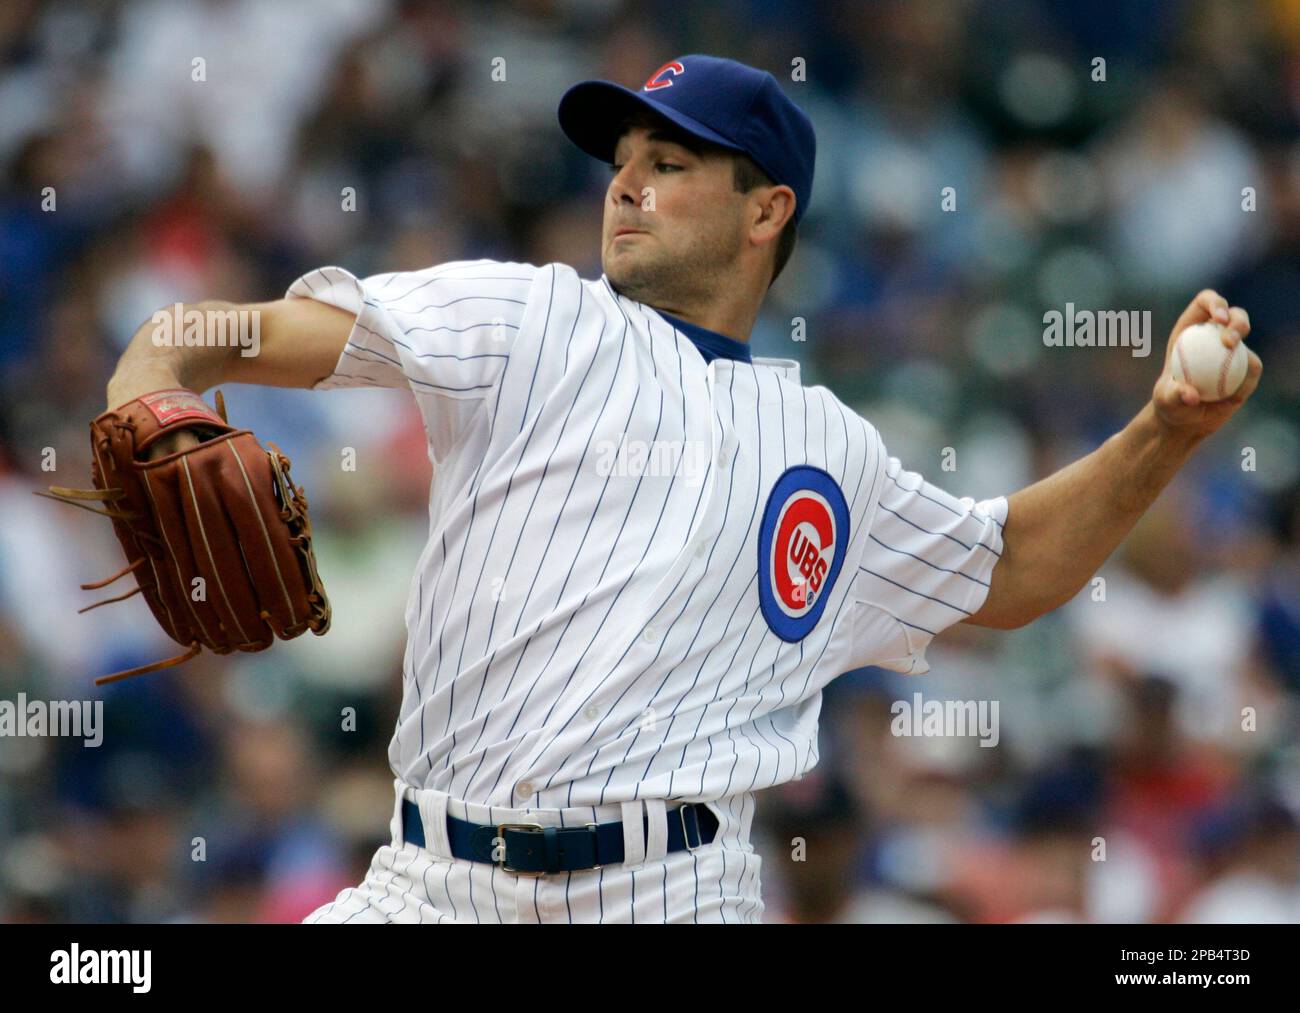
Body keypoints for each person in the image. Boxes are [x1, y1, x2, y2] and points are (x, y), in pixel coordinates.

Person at [102, 55, 1262, 923]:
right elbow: (233, 329)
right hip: (427, 882)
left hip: (669, 891)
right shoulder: (530, 316)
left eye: (670, 164)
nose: (628, 189)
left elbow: (1007, 569)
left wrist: (1164, 428)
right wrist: (155, 369)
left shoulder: (829, 443)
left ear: (768, 211)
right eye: (620, 167)